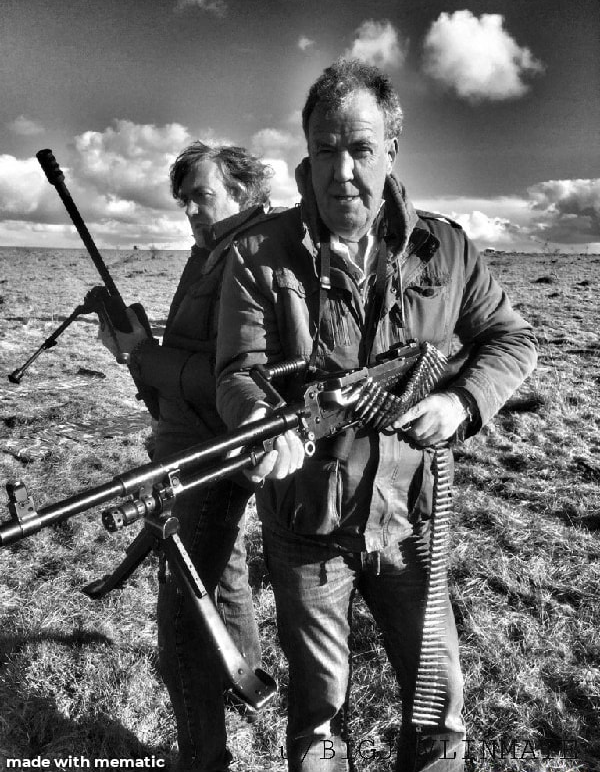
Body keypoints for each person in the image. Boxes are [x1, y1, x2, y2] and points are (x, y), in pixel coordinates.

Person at [215, 59, 538, 772]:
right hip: (306, 523)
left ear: (392, 150)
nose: (341, 171)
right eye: (324, 148)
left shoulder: (445, 249)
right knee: (318, 706)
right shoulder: (258, 254)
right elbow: (236, 374)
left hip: (411, 517)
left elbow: (513, 339)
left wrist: (459, 401)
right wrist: (264, 425)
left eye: (359, 148)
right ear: (306, 154)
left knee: (440, 706)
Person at [99, 141, 273, 772]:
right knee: (223, 567)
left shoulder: (245, 256)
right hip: (193, 439)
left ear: (244, 189)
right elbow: (200, 352)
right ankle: (246, 680)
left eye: (203, 195)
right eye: (185, 201)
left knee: (182, 610)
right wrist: (144, 348)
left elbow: (229, 376)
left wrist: (146, 357)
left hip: (214, 446)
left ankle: (202, 756)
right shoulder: (212, 253)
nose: (192, 211)